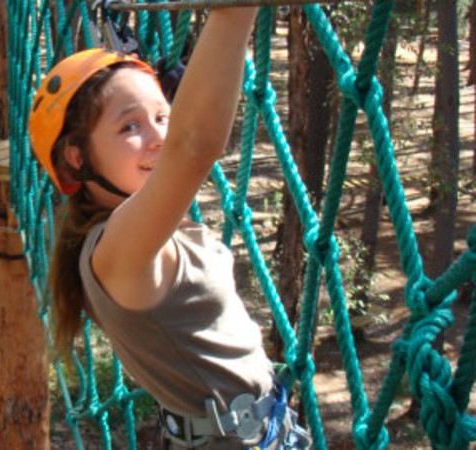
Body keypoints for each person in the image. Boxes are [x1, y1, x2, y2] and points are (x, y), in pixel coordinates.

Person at [28, 6, 310, 450]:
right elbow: (192, 146)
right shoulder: (117, 253)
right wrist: (234, 16)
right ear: (76, 158)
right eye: (129, 127)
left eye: (163, 117)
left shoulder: (132, 234)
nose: (159, 136)